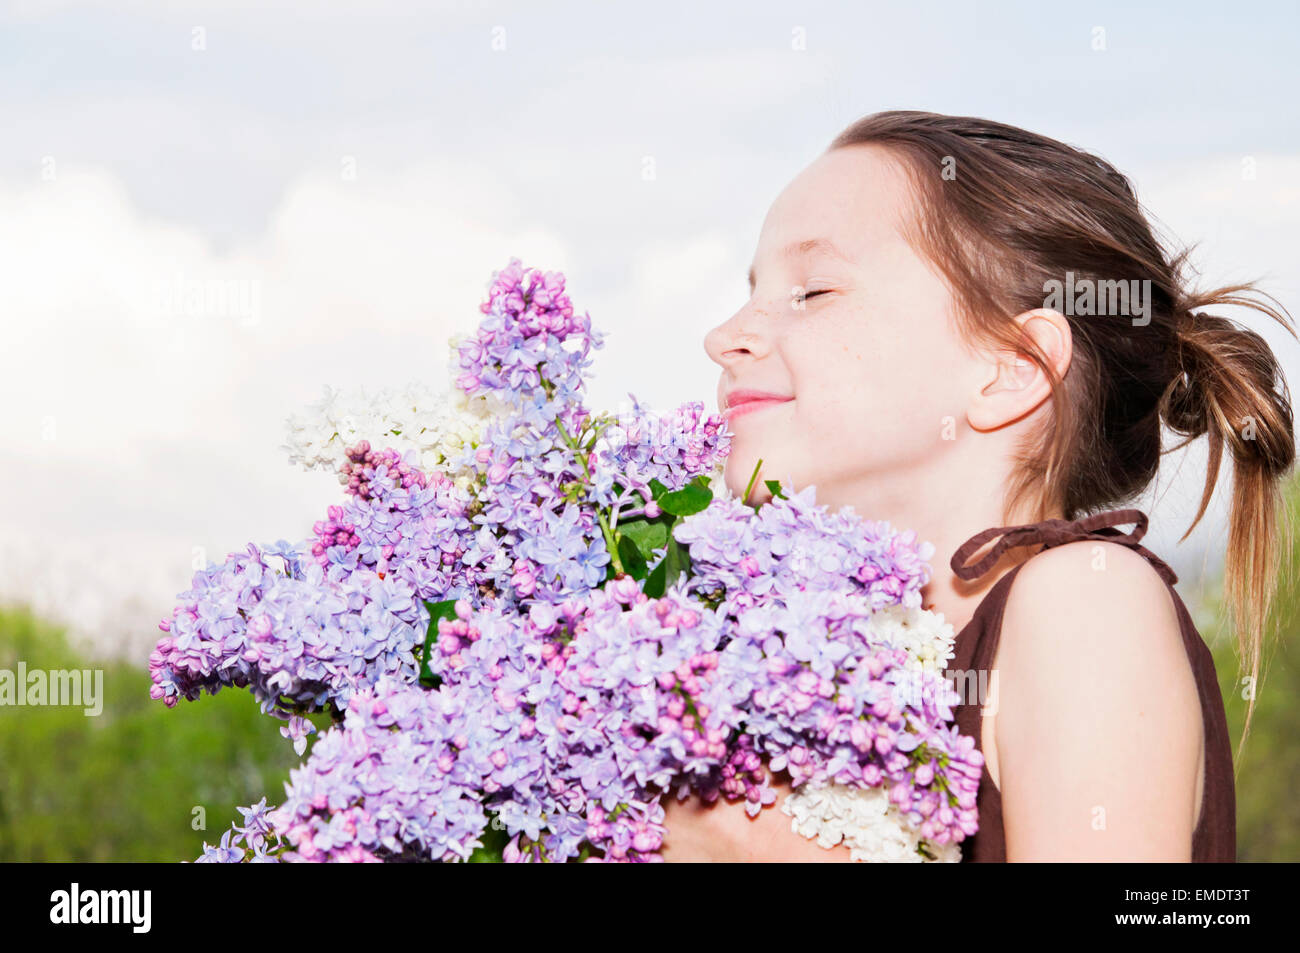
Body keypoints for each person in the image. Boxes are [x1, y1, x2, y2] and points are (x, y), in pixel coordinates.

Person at [660, 111, 1296, 862]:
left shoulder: (1086, 599)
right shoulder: (794, 655)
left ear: (1012, 370)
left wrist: (753, 848)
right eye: (754, 288)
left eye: (813, 290)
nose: (724, 335)